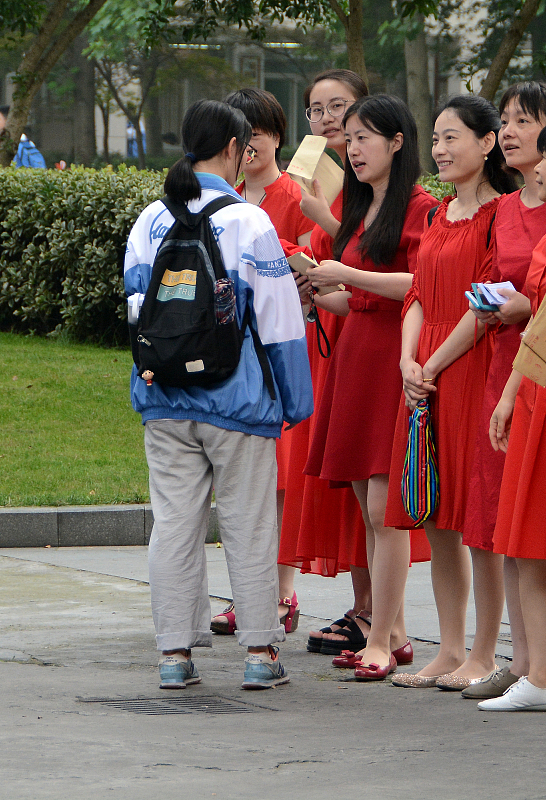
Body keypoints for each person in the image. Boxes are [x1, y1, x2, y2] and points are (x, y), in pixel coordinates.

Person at [123, 99, 313, 690]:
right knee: (250, 523)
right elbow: (280, 323)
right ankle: (260, 653)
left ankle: (174, 657)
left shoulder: (149, 219)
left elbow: (136, 313)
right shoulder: (250, 222)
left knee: (174, 524)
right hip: (237, 400)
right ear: (235, 150)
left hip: (164, 398)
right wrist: (295, 401)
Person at [459, 82, 546, 705]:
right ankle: (536, 667)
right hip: (533, 382)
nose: (534, 165)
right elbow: (545, 323)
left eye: (541, 146)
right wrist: (513, 393)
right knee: (520, 531)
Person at [303, 95, 438, 679]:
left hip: (394, 361)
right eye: (348, 139)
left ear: (397, 142)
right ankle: (396, 630)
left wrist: (345, 273)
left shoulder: (422, 206)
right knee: (366, 503)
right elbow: (356, 300)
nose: (352, 149)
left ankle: (380, 637)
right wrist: (313, 288)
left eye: (363, 138)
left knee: (386, 509)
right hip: (356, 357)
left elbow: (421, 283)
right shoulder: (361, 208)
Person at [383, 94, 515, 689]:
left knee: (476, 518)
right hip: (426, 375)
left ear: (488, 143)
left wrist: (428, 363)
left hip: (469, 368)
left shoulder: (501, 215)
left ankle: (485, 654)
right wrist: (409, 360)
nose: (439, 149)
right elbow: (416, 294)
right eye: (434, 139)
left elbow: (485, 305)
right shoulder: (438, 214)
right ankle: (450, 648)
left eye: (452, 137)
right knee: (435, 513)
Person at [276, 70, 375, 657]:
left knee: (366, 475)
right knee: (341, 477)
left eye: (340, 107)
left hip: (361, 324)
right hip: (322, 331)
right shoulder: (314, 178)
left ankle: (374, 614)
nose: (328, 119)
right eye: (316, 110)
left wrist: (323, 216)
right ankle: (363, 607)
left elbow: (369, 250)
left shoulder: (369, 181)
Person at [215, 87, 315, 639]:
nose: (250, 143)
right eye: (240, 133)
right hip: (232, 354)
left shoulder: (295, 197)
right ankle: (244, 591)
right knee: (240, 479)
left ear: (277, 135)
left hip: (280, 348)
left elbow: (310, 275)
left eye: (259, 131)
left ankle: (280, 592)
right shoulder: (223, 200)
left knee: (280, 478)